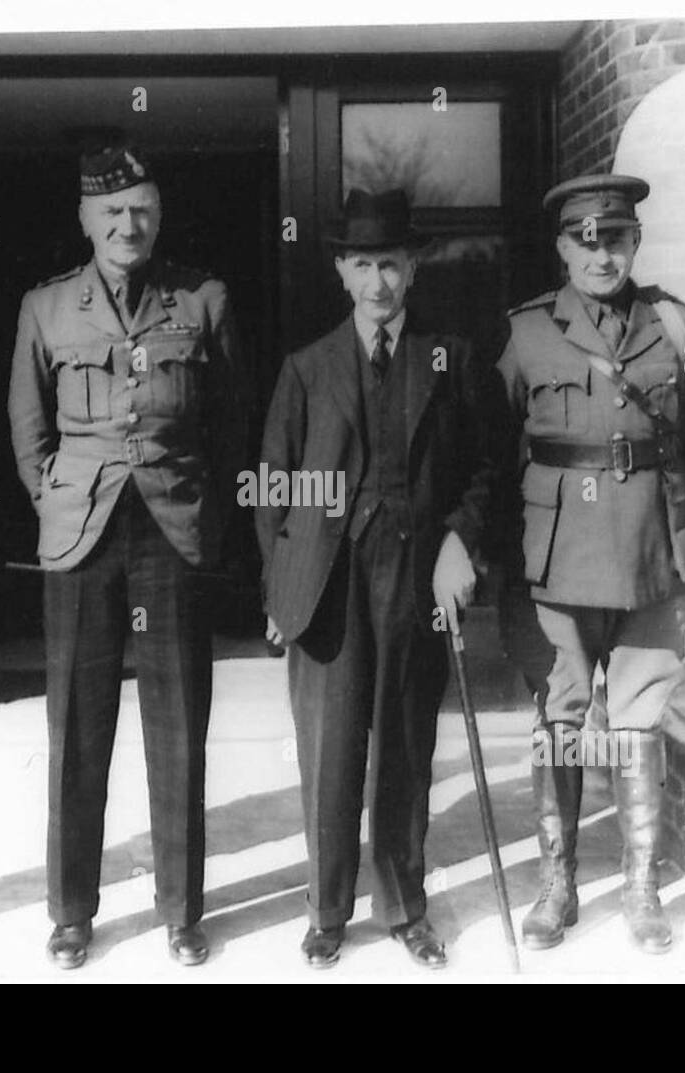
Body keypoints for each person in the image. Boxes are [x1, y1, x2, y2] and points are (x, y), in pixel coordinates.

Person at [8, 145, 247, 969]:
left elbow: (232, 424)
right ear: (85, 219)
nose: (127, 225)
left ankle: (182, 909)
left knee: (179, 727)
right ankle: (72, 910)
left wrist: (204, 509)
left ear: (159, 215)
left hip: (173, 531)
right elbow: (28, 426)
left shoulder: (202, 299)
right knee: (77, 728)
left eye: (141, 209)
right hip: (82, 535)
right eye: (111, 212)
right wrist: (58, 504)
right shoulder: (45, 307)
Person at [258, 189, 503, 969]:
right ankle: (327, 910)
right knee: (330, 750)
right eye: (362, 264)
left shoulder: (451, 357)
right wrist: (280, 588)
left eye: (391, 264)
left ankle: (403, 904)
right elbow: (274, 486)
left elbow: (486, 469)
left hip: (416, 572)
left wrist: (461, 541)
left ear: (413, 266)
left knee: (403, 740)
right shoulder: (307, 367)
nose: (378, 283)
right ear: (340, 270)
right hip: (328, 584)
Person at [496, 174, 685, 954]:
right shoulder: (527, 332)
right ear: (562, 248)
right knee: (561, 719)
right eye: (585, 241)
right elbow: (497, 458)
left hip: (654, 552)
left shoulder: (677, 324)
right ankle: (557, 884)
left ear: (636, 242)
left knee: (639, 718)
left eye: (616, 239)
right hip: (559, 558)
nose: (602, 255)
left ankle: (641, 886)